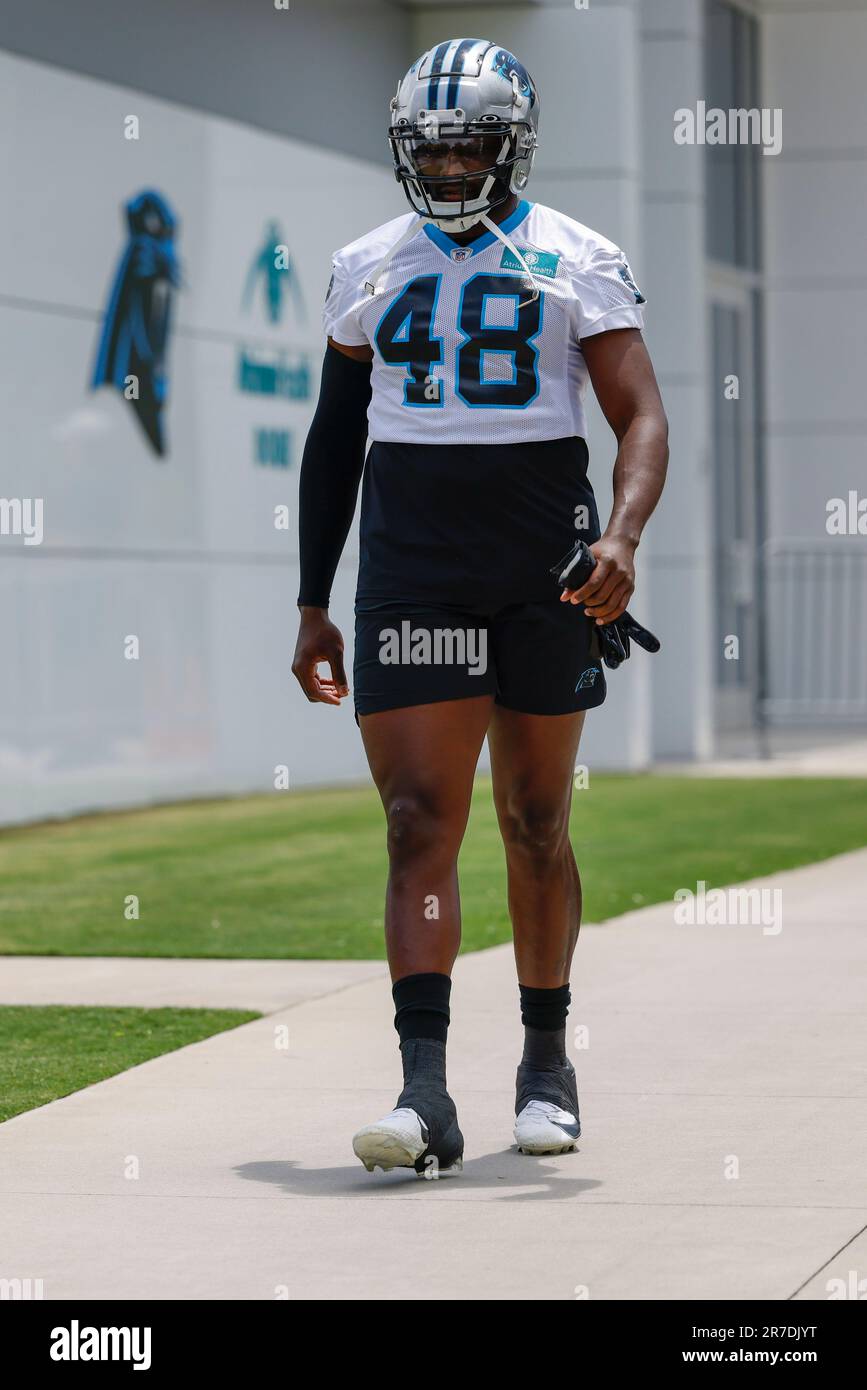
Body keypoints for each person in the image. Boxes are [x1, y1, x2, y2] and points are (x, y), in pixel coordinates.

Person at [292, 38, 669, 1176]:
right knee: (417, 818)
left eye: (470, 146)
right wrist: (312, 599)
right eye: (432, 147)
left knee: (536, 819)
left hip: (542, 567)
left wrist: (620, 537)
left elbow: (640, 417)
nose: (450, 165)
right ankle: (424, 1095)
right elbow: (334, 440)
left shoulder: (578, 256)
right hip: (413, 567)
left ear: (514, 147)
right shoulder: (366, 264)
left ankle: (546, 1066)